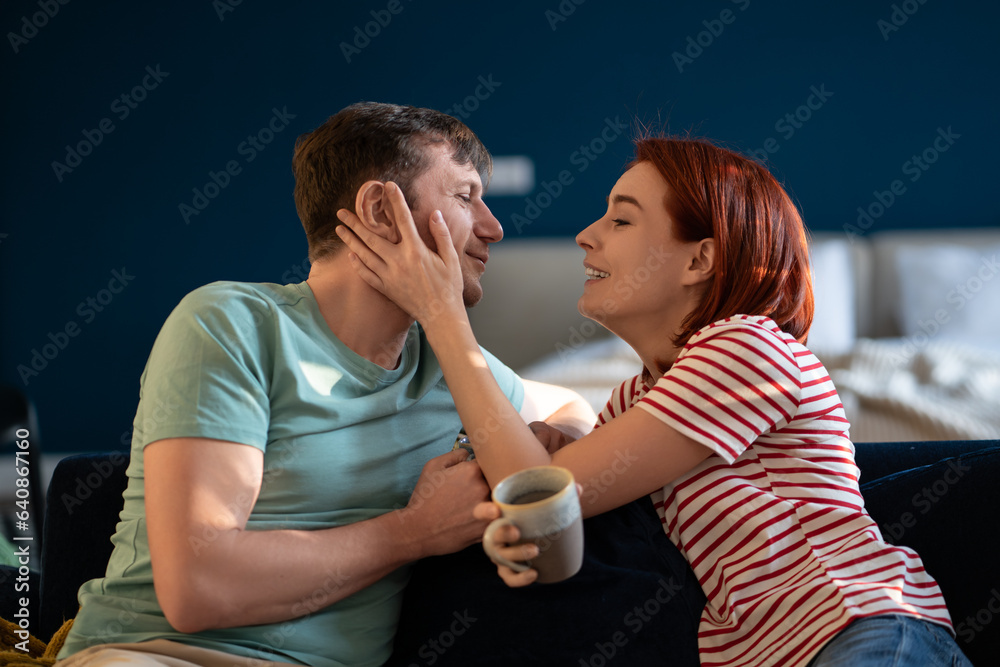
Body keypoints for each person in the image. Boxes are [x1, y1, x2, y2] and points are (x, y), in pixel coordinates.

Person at [334, 135, 975, 666]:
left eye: (620, 218)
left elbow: (544, 489)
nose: (585, 236)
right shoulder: (636, 400)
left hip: (859, 628)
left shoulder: (746, 347)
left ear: (700, 259)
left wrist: (443, 316)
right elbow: (553, 505)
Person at [54, 102, 597, 667]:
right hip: (159, 656)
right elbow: (198, 587)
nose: (494, 228)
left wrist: (557, 430)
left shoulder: (453, 367)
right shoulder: (231, 323)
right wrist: (415, 532)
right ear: (381, 211)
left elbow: (568, 402)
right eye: (465, 197)